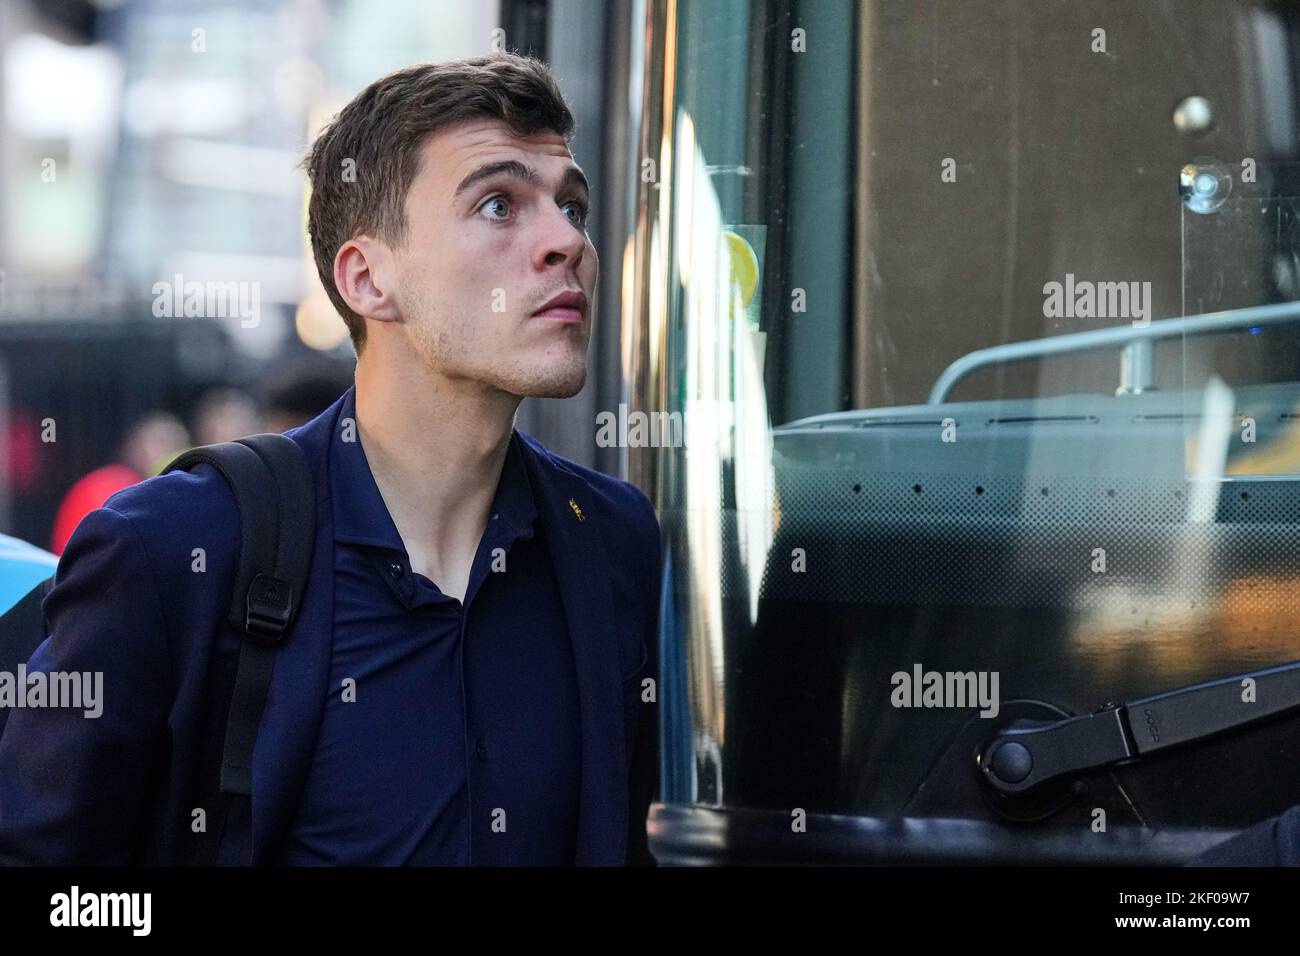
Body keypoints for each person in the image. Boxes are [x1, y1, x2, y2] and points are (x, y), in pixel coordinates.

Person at [0, 53, 661, 866]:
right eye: (499, 204)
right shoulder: (176, 548)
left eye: (574, 207)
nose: (566, 242)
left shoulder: (611, 541)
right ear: (367, 279)